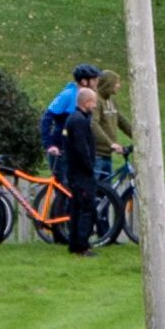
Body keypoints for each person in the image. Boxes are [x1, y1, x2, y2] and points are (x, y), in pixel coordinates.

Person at [60, 84, 103, 255]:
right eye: (93, 102)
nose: (94, 106)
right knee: (86, 208)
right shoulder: (79, 121)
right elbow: (81, 148)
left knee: (76, 208)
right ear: (86, 102)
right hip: (81, 173)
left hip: (74, 172)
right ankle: (82, 245)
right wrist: (89, 167)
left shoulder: (72, 119)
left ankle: (74, 243)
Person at [43, 64, 102, 166]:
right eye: (94, 80)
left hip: (75, 151)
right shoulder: (68, 95)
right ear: (84, 81)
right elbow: (46, 119)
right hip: (61, 150)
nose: (97, 82)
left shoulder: (87, 97)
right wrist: (49, 145)